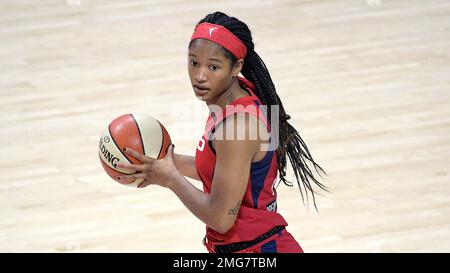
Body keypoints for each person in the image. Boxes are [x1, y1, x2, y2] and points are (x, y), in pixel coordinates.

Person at [116, 11, 327, 253]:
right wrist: (163, 164)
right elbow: (223, 168)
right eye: (194, 62)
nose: (200, 76)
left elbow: (220, 219)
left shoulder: (238, 126)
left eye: (213, 67)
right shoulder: (234, 98)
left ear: (236, 66)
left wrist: (171, 179)